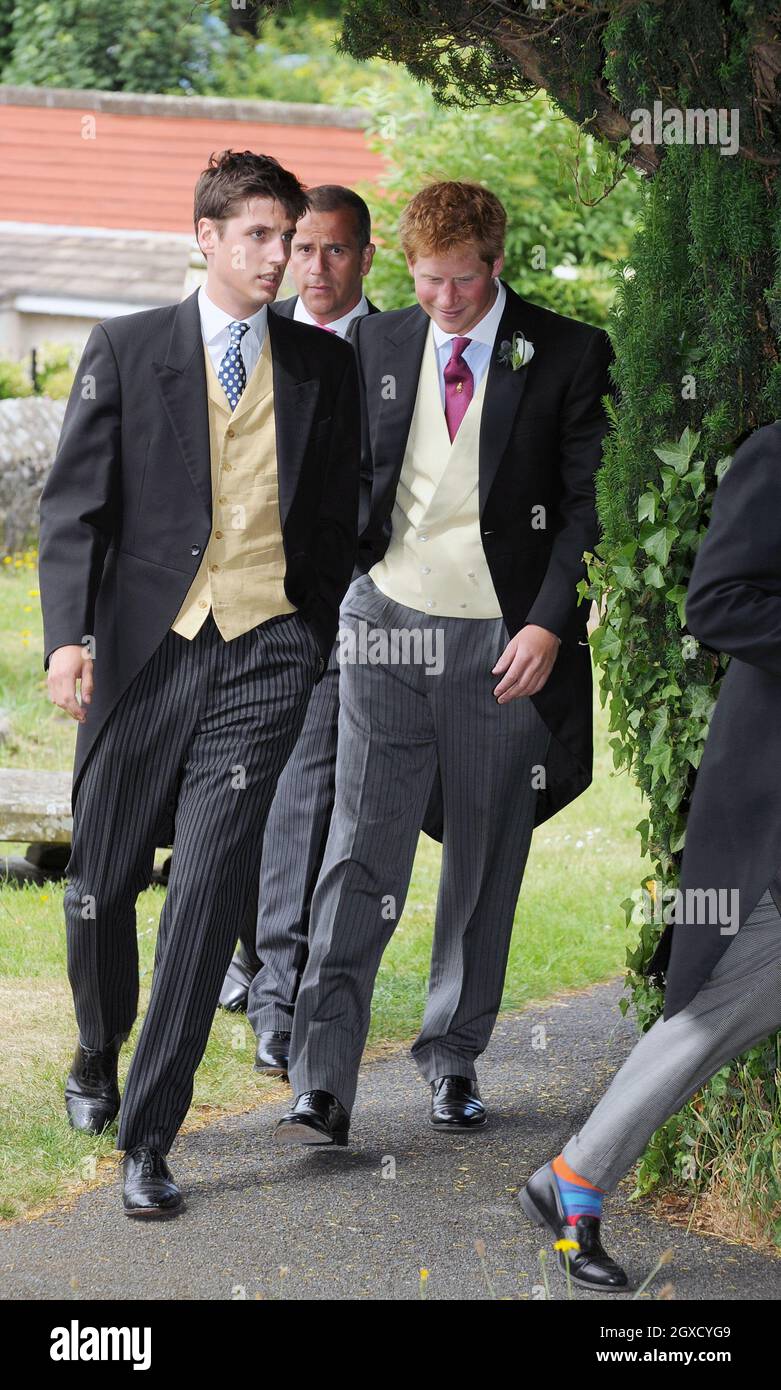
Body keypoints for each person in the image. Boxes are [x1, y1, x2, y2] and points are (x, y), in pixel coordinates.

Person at [38, 149, 360, 1217]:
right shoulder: (126, 350)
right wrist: (68, 641)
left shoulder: (324, 369)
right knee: (104, 877)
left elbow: (340, 517)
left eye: (295, 239)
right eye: (263, 237)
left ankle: (150, 1130)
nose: (285, 259)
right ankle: (97, 1043)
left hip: (266, 655)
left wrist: (309, 628)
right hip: (145, 653)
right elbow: (74, 508)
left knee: (210, 884)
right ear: (209, 237)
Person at [274, 179, 615, 1144]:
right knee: (356, 851)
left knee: (482, 857)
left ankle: (452, 1059)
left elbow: (588, 507)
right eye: (428, 282)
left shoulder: (566, 353)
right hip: (385, 620)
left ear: (495, 264)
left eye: (463, 282)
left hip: (504, 642)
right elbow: (338, 479)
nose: (445, 302)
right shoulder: (377, 342)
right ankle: (321, 1079)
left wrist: (550, 624)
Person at [518, 422, 781, 1291]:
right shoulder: (775, 452)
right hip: (770, 799)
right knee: (723, 1000)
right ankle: (576, 1177)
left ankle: (576, 1177)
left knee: (736, 997)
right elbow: (717, 602)